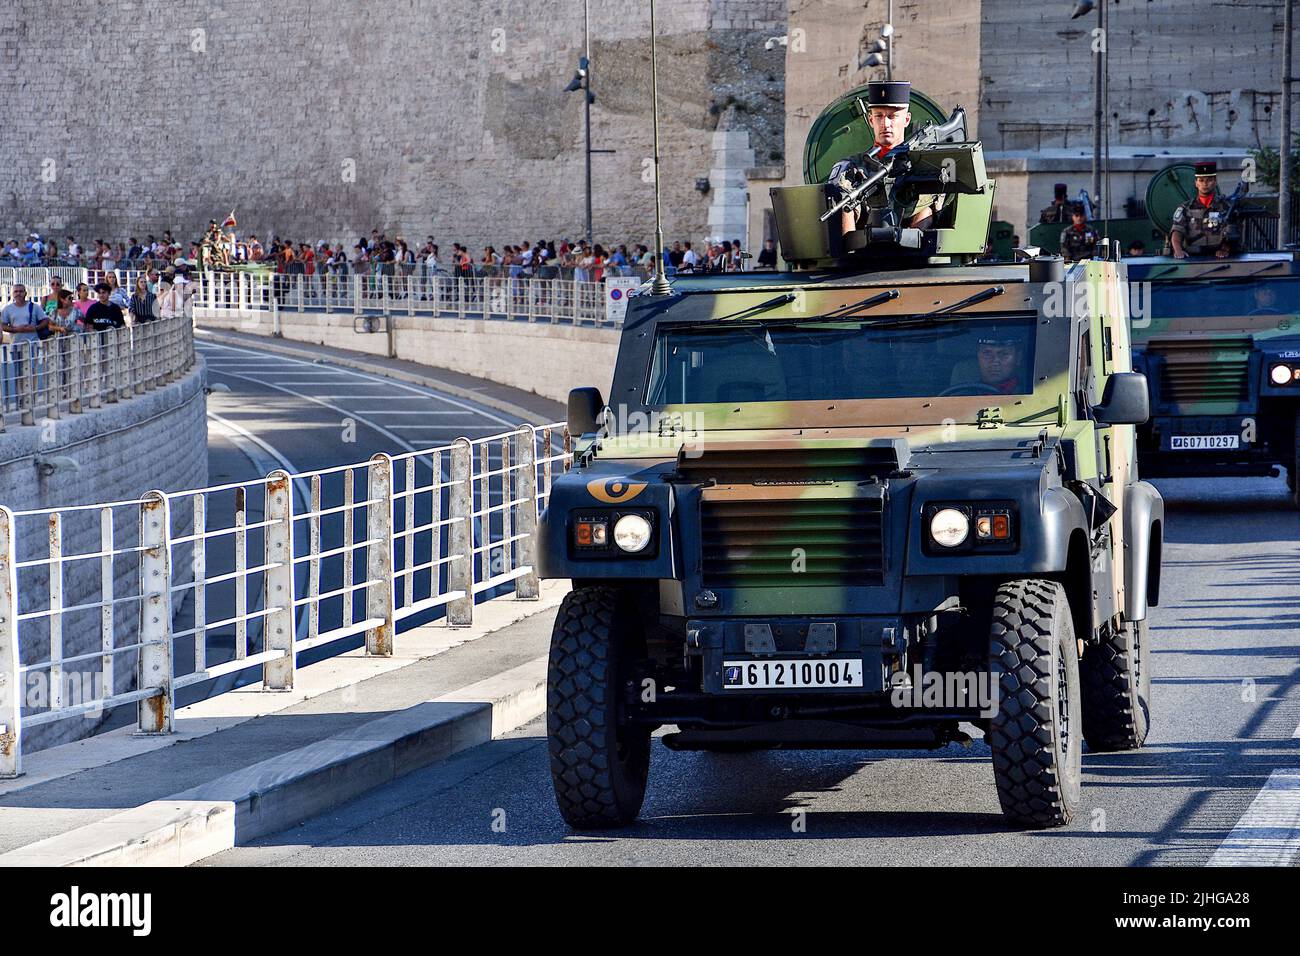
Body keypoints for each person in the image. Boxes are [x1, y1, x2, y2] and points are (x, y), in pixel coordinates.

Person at [827, 80, 943, 236]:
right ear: (870, 120)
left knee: (926, 209)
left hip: (913, 253)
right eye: (879, 116)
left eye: (892, 116)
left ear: (907, 119)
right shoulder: (851, 168)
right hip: (861, 253)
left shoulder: (921, 165)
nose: (885, 124)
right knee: (843, 203)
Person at [1170, 160, 1237, 259]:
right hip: (1192, 258)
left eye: (1209, 180)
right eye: (1201, 180)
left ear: (1215, 182)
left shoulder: (1226, 207)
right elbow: (1177, 231)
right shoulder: (1186, 208)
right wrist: (1178, 250)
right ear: (1196, 183)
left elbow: (1233, 233)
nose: (1205, 184)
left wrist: (1225, 249)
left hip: (1219, 258)